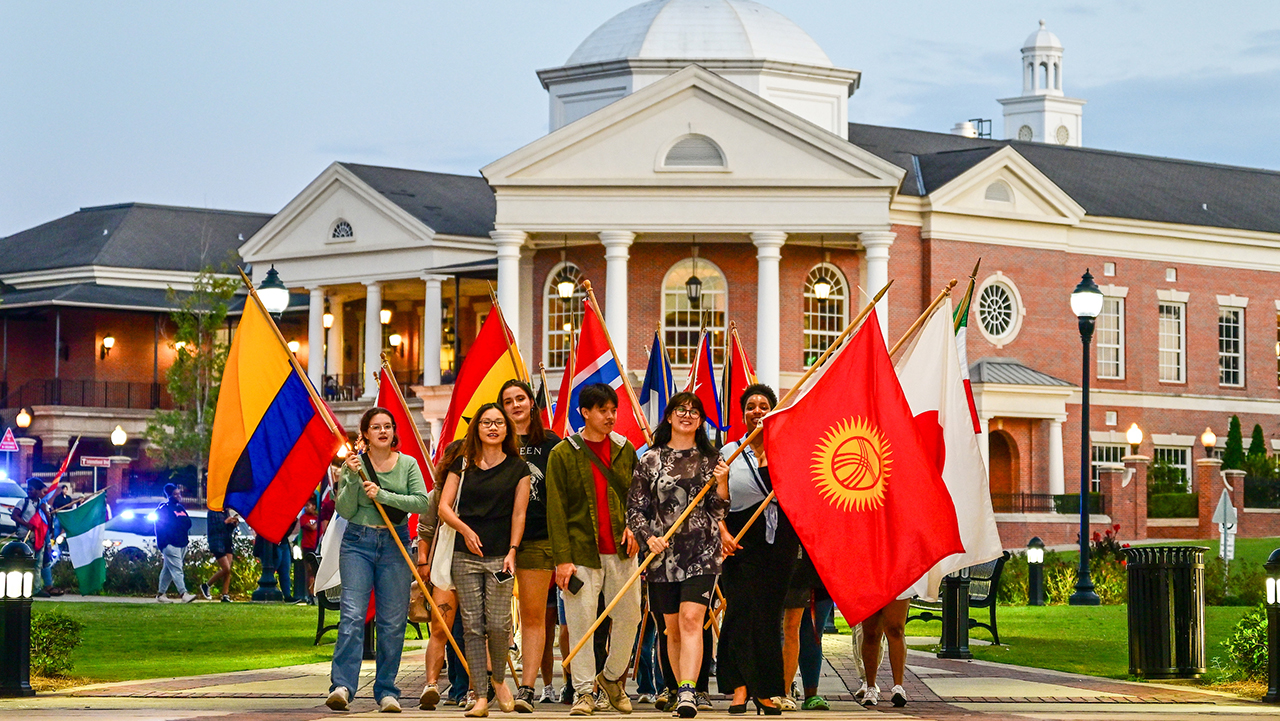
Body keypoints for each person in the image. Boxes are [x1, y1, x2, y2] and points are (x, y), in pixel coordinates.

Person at [626, 392, 729, 719]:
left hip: (702, 553)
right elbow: (635, 510)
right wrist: (648, 538)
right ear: (669, 416)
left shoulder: (712, 460)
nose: (687, 415)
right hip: (662, 557)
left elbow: (719, 509)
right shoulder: (650, 460)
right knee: (670, 627)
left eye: (694, 412)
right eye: (681, 410)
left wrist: (723, 484)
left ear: (701, 421)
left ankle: (688, 689)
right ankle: (674, 687)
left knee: (690, 621)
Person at [545, 383, 642, 717]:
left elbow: (636, 498)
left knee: (631, 616)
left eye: (613, 410)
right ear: (584, 413)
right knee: (581, 623)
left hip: (622, 551)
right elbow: (555, 510)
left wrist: (634, 525)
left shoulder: (625, 448)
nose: (610, 416)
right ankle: (584, 692)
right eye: (603, 410)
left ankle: (612, 678)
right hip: (580, 553)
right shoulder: (563, 453)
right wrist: (562, 559)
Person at [327, 407, 430, 714]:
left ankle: (387, 690)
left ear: (393, 431)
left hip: (394, 543)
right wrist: (353, 480)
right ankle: (342, 686)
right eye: (376, 427)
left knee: (392, 622)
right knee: (353, 616)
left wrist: (383, 495)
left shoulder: (408, 464)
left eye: (387, 426)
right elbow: (345, 510)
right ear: (366, 434)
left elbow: (421, 501)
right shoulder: (355, 465)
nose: (383, 431)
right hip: (358, 542)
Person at [437, 403, 530, 718]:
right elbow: (444, 507)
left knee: (499, 624)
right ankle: (479, 695)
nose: (493, 427)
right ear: (476, 428)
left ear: (507, 429)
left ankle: (500, 681)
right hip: (465, 557)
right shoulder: (462, 464)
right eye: (487, 422)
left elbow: (520, 513)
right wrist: (464, 530)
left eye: (499, 423)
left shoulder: (518, 468)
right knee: (473, 627)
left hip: (501, 558)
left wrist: (513, 550)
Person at [716, 384, 797, 715]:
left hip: (780, 541)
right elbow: (716, 502)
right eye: (751, 406)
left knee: (767, 615)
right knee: (738, 612)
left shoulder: (789, 450)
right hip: (739, 538)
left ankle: (766, 690)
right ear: (743, 413)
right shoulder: (729, 452)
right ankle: (738, 687)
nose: (758, 410)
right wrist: (721, 533)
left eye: (764, 405)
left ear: (774, 411)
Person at [499, 379, 563, 712]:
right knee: (492, 618)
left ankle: (526, 687)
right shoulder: (493, 441)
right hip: (495, 541)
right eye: (508, 401)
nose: (515, 405)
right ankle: (484, 686)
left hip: (538, 539)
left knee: (533, 616)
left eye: (520, 398)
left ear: (531, 403)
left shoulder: (552, 443)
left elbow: (562, 494)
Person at [416, 439, 469, 711]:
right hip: (444, 564)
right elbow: (425, 529)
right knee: (441, 627)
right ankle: (432, 684)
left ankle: (467, 688)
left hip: (473, 563)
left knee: (468, 631)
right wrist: (423, 562)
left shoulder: (480, 487)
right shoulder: (437, 493)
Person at [781, 552, 835, 711]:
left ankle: (811, 693)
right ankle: (784, 688)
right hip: (795, 571)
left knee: (812, 635)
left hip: (822, 575)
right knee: (787, 631)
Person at [858, 599, 910, 707]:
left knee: (896, 629)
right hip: (869, 584)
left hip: (897, 583)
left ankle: (898, 687)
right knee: (870, 632)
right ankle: (871, 687)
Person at [11, 478, 55, 597]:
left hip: (39, 537)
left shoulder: (42, 504)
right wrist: (26, 524)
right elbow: (14, 516)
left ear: (37, 491)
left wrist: (46, 513)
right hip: (25, 535)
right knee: (25, 563)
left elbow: (48, 522)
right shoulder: (23, 502)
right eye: (28, 489)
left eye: (31, 489)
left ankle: (36, 589)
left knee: (38, 563)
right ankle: (19, 588)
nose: (28, 491)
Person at [155, 483, 195, 603]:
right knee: (177, 569)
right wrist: (165, 543)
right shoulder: (164, 509)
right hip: (170, 544)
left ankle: (161, 594)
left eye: (179, 493)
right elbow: (165, 526)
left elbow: (188, 523)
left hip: (182, 543)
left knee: (168, 569)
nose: (179, 496)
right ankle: (183, 594)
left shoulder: (180, 508)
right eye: (175, 494)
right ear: (169, 495)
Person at [201, 507, 239, 602]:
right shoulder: (212, 513)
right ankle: (207, 585)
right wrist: (225, 522)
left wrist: (233, 524)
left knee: (228, 571)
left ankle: (225, 595)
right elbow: (214, 529)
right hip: (217, 542)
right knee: (226, 568)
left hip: (227, 542)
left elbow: (227, 530)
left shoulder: (226, 512)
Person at [300, 498, 321, 604]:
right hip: (307, 546)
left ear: (314, 506)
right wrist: (318, 522)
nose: (306, 508)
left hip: (316, 546)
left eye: (308, 505)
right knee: (309, 571)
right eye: (305, 506)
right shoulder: (304, 518)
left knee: (316, 571)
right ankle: (310, 594)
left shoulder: (318, 517)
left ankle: (317, 593)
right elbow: (312, 527)